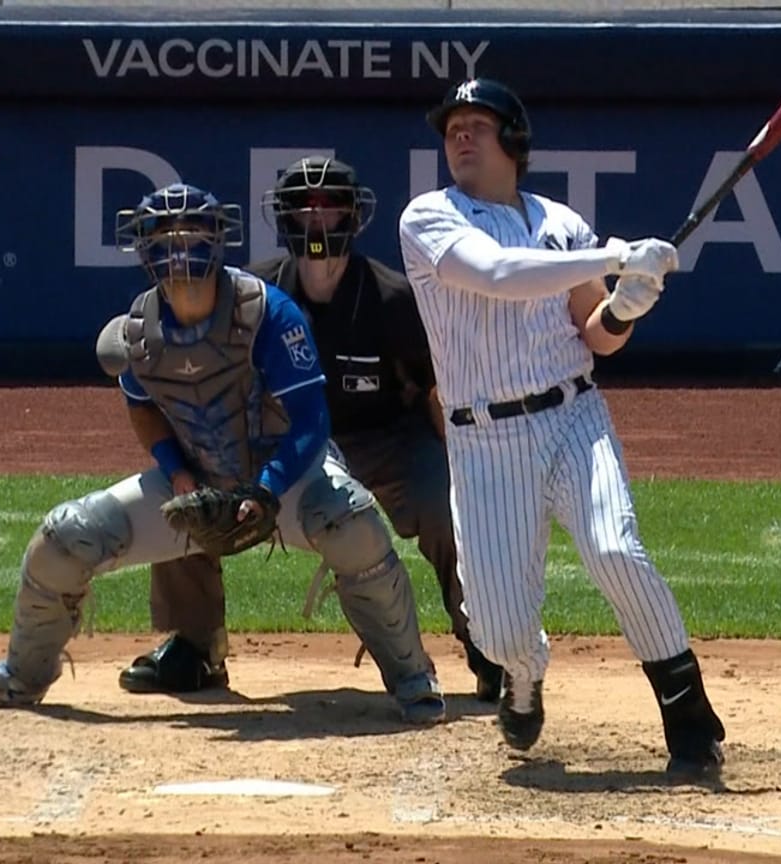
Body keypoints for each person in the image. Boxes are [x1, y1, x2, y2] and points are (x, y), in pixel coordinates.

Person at [0, 182, 447, 726]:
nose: (179, 247)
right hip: (205, 476)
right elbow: (143, 409)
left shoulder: (266, 314)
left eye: (193, 234)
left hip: (288, 479)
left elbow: (311, 418)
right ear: (142, 248)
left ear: (219, 240)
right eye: (164, 237)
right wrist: (178, 473)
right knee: (66, 536)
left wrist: (268, 488)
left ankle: (411, 676)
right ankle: (23, 676)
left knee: (349, 521)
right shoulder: (139, 328)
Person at [396, 77, 727, 778]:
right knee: (500, 629)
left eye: (477, 125)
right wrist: (615, 259)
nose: (460, 135)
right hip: (485, 441)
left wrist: (629, 304)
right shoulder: (429, 217)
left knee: (616, 549)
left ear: (512, 140)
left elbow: (596, 334)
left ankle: (687, 709)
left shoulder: (560, 221)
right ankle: (522, 674)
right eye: (453, 126)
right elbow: (495, 274)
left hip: (575, 416)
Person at [116, 156, 505, 701]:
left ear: (353, 215)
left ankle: (488, 643)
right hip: (279, 441)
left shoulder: (392, 299)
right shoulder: (255, 294)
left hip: (383, 442)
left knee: (446, 506)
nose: (317, 217)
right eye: (304, 206)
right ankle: (196, 645)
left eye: (329, 206)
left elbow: (435, 392)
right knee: (192, 490)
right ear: (284, 217)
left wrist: (463, 467)